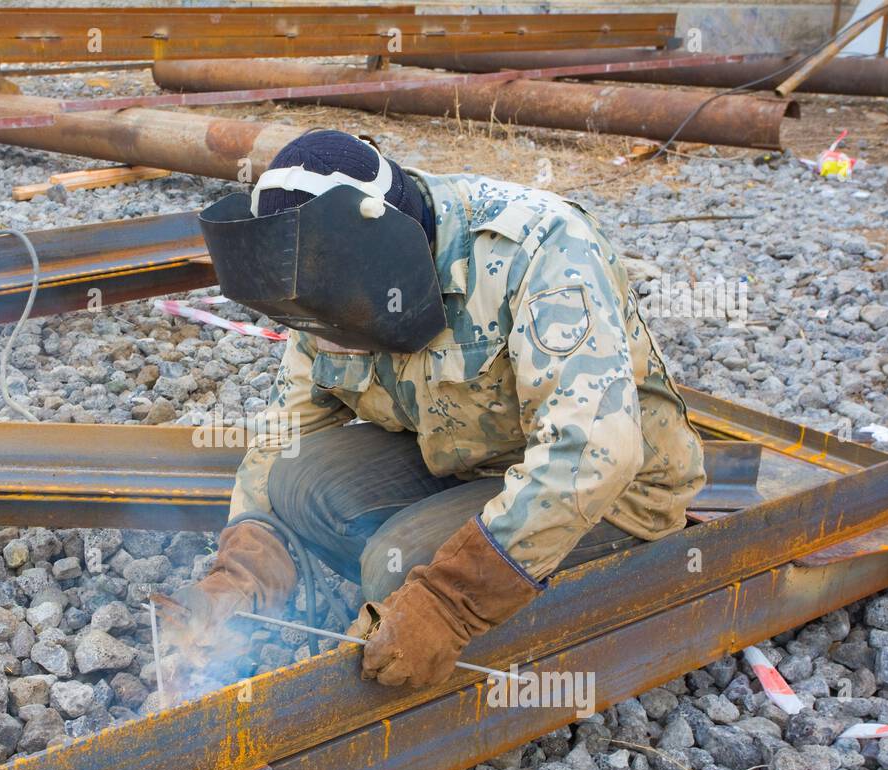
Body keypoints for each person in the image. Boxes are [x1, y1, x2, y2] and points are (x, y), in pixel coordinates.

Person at [174, 129, 705, 689]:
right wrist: (242, 567)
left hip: (614, 488)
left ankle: (489, 627)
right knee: (297, 478)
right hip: (471, 459)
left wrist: (449, 601)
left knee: (394, 566)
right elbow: (287, 431)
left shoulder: (540, 247)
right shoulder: (322, 271)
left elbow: (591, 454)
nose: (327, 341)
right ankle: (441, 584)